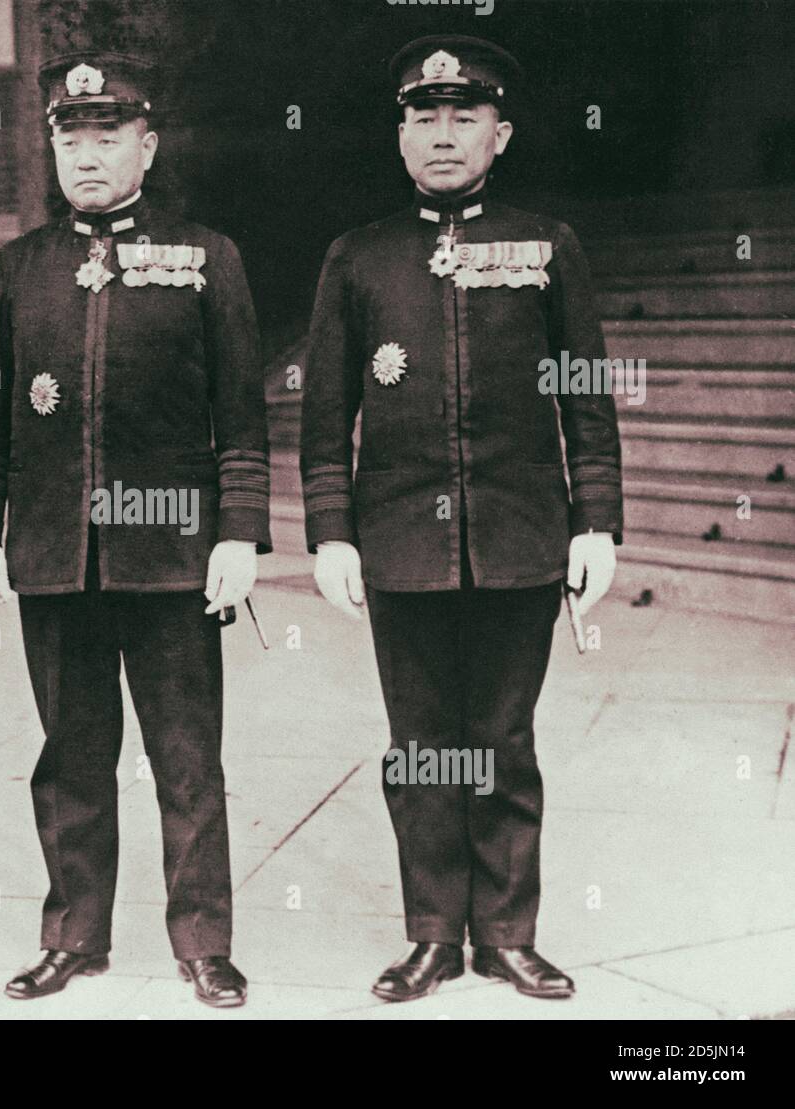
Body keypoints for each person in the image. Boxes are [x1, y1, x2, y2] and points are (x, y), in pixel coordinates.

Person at [299, 35, 622, 1002]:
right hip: (399, 542)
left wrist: (596, 519)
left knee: (504, 738)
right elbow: (325, 415)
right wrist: (331, 531)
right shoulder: (358, 257)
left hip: (522, 533)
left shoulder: (548, 246)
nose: (444, 136)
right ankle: (435, 931)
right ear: (401, 136)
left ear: (502, 133)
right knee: (424, 743)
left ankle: (510, 931)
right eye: (424, 117)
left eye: (465, 116)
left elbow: (586, 398)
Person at [0, 51, 271, 1008]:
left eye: (107, 136)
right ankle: (74, 935)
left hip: (170, 553)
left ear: (148, 144)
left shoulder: (206, 257)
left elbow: (241, 417)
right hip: (53, 552)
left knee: (186, 758)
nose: (87, 156)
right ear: (52, 149)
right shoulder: (17, 268)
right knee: (71, 759)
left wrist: (237, 533)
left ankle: (203, 941)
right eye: (71, 138)